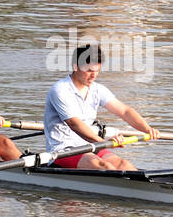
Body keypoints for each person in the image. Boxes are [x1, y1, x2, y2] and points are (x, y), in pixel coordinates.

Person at [43, 42, 158, 170]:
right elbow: (74, 124)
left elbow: (124, 111)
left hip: (90, 145)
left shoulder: (98, 90)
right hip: (63, 149)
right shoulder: (60, 90)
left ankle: (141, 188)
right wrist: (103, 143)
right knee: (103, 166)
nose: (94, 76)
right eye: (89, 71)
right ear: (76, 67)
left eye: (97, 71)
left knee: (123, 164)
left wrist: (147, 129)